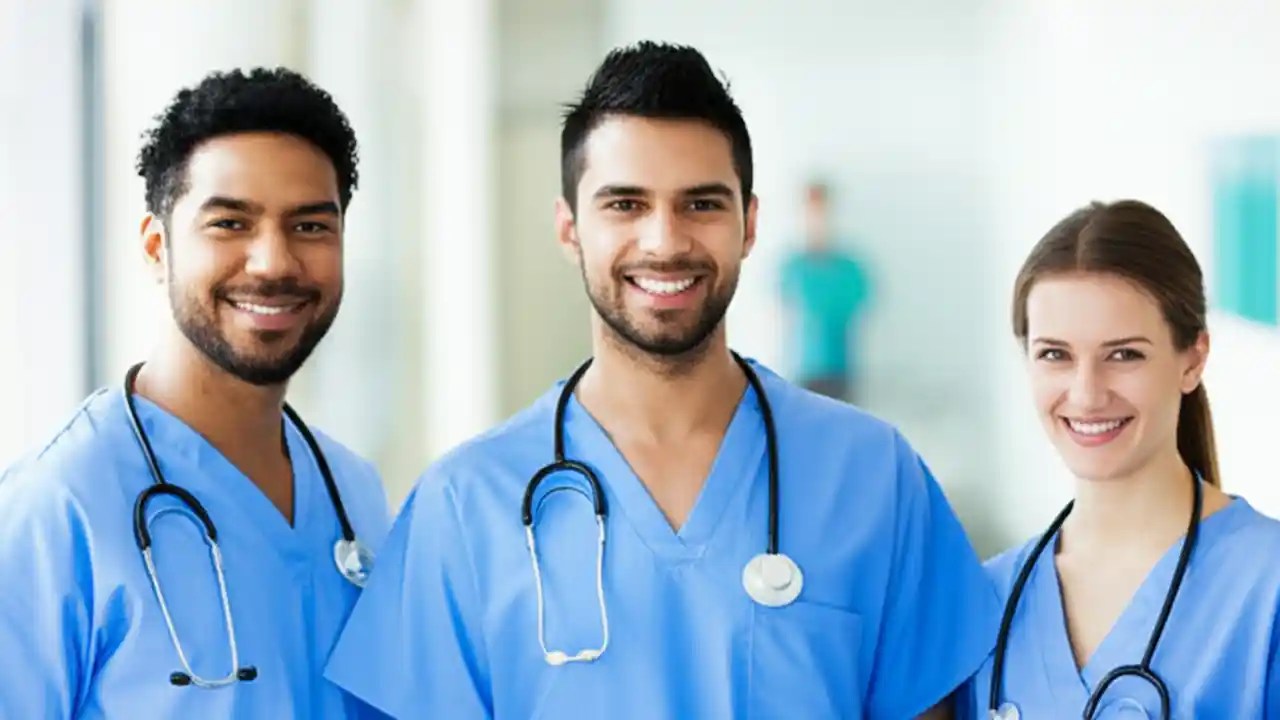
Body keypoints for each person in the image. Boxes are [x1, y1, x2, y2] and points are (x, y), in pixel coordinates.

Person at [325, 41, 998, 719]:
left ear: (750, 225)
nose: (664, 241)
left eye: (701, 204)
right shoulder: (466, 505)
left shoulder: (872, 475)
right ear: (569, 230)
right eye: (624, 204)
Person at [0, 68, 391, 719]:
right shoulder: (53, 509)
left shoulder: (355, 494)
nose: (273, 263)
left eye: (311, 227)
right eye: (230, 223)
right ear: (158, 248)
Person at [959, 200, 1280, 718]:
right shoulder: (989, 601)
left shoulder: (1266, 587)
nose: (1086, 395)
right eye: (1054, 354)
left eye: (1124, 354)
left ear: (1193, 359)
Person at [779, 181, 872, 402]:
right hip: (801, 374)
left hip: (841, 373)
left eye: (822, 212)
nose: (817, 220)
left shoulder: (850, 270)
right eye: (812, 213)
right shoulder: (793, 269)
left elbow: (860, 318)